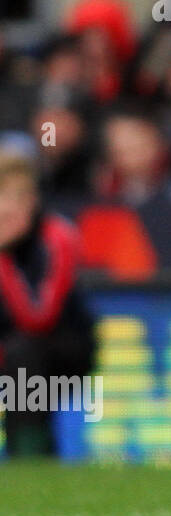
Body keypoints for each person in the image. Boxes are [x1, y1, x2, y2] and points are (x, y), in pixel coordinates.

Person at [0, 154, 96, 457]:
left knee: (22, 354)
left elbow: (39, 317)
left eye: (17, 197)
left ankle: (29, 453)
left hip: (64, 349)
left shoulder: (58, 236)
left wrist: (2, 258)